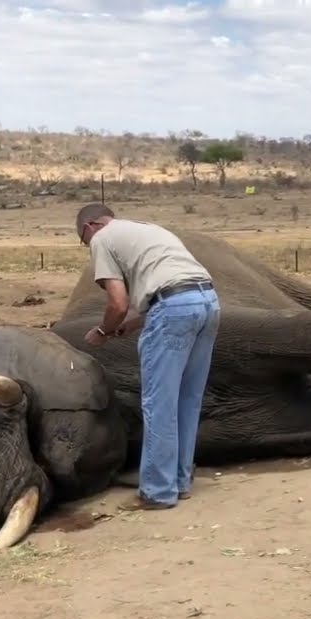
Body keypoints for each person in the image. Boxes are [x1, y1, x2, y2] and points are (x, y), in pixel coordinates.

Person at [75, 203, 221, 510]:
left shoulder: (102, 238)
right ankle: (180, 482)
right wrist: (134, 324)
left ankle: (158, 490)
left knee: (159, 402)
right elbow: (175, 288)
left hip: (173, 308)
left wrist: (102, 332)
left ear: (90, 227)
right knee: (187, 400)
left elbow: (117, 302)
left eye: (84, 242)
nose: (89, 248)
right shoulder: (149, 230)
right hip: (207, 303)